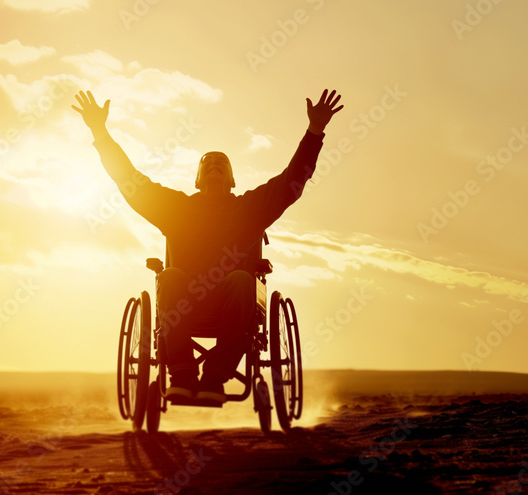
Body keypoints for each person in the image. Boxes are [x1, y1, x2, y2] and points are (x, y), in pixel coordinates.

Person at [73, 89, 343, 404]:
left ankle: (215, 377)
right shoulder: (175, 207)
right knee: (170, 276)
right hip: (185, 301)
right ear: (197, 180)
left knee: (243, 280)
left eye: (221, 164)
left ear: (232, 180)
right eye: (207, 163)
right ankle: (183, 377)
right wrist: (99, 132)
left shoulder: (250, 208)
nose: (214, 164)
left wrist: (315, 132)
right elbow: (129, 180)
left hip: (232, 303)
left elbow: (292, 181)